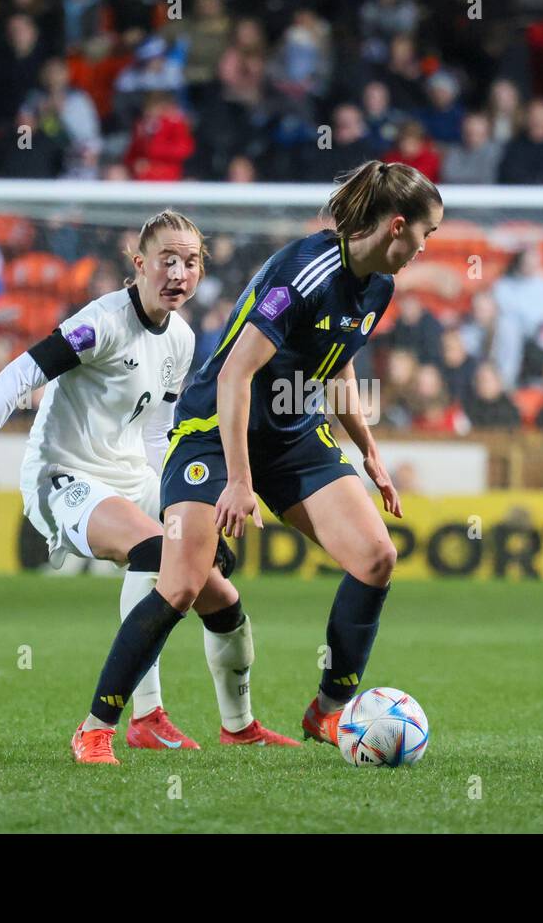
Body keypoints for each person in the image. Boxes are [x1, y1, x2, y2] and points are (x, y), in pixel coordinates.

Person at [82, 161, 441, 764]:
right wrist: (240, 481)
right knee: (181, 584)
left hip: (293, 434)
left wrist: (370, 452)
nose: (427, 249)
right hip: (212, 430)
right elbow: (234, 374)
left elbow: (338, 362)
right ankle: (96, 727)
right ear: (398, 227)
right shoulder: (303, 272)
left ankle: (327, 713)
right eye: (427, 235)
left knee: (377, 558)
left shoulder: (378, 286)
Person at [0, 210, 296, 763]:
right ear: (139, 265)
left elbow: (158, 430)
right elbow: (16, 377)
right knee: (155, 553)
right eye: (167, 261)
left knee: (220, 594)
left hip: (134, 477)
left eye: (191, 262)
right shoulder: (100, 323)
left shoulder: (180, 337)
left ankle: (239, 726)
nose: (179, 273)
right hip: (66, 478)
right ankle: (132, 719)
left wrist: (178, 502)